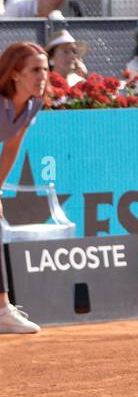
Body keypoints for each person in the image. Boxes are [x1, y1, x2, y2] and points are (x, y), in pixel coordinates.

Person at [0, 41, 50, 333]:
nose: (42, 76)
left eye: (45, 69)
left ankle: (2, 311)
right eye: (35, 70)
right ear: (15, 74)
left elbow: (10, 149)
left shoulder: (32, 105)